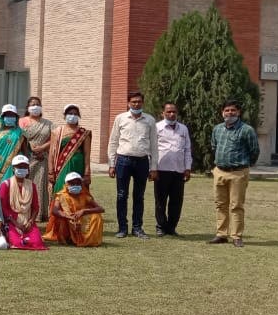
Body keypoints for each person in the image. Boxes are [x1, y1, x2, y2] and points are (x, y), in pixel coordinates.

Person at [107, 91, 159, 239]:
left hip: (142, 161)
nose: (136, 104)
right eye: (133, 102)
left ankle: (137, 228)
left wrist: (153, 167)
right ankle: (122, 227)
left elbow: (154, 145)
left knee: (139, 196)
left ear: (143, 103)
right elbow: (113, 141)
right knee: (122, 195)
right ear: (128, 103)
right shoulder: (120, 118)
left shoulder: (149, 120)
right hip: (123, 160)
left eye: (139, 102)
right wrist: (111, 163)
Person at [209, 98, 260, 248]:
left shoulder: (246, 130)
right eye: (227, 110)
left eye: (233, 110)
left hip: (238, 173)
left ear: (238, 112)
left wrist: (244, 165)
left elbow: (254, 150)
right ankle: (221, 234)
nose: (230, 113)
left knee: (236, 205)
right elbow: (214, 146)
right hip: (219, 172)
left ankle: (236, 236)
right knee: (220, 204)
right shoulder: (217, 129)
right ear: (222, 112)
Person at [155, 102, 193, 236]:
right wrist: (152, 168)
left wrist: (187, 168)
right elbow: (152, 150)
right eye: (169, 112)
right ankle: (160, 226)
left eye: (174, 112)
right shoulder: (157, 127)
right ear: (163, 113)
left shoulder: (183, 129)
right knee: (161, 200)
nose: (172, 114)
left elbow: (187, 149)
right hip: (161, 169)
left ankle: (171, 227)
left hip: (178, 170)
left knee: (176, 201)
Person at [44, 172, 105, 247]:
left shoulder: (84, 195)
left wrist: (84, 211)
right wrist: (68, 216)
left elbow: (101, 209)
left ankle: (88, 240)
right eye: (72, 183)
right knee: (61, 220)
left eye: (77, 183)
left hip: (81, 219)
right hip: (67, 219)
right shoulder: (61, 195)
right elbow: (55, 211)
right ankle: (68, 238)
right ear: (66, 185)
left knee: (96, 217)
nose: (75, 185)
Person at [0, 154, 46, 250]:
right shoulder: (6, 185)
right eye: (19, 167)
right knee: (16, 242)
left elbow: (35, 207)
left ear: (28, 169)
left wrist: (31, 221)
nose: (22, 169)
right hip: (11, 221)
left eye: (24, 167)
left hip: (27, 220)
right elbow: (3, 207)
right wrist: (16, 223)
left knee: (37, 242)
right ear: (13, 168)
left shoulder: (31, 185)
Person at [47, 103, 92, 194]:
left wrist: (87, 172)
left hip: (78, 165)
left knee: (78, 190)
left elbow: (87, 154)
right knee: (60, 188)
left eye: (75, 114)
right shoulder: (57, 132)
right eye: (70, 113)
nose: (73, 116)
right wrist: (51, 171)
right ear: (65, 116)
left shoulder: (84, 133)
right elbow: (51, 153)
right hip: (62, 166)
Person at [20, 97, 53, 221]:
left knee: (39, 185)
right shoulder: (21, 122)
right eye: (32, 104)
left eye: (38, 104)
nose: (35, 106)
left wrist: (42, 148)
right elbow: (19, 138)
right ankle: (24, 211)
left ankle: (39, 213)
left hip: (42, 158)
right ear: (28, 107)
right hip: (26, 158)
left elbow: (54, 139)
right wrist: (29, 149)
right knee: (26, 185)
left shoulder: (48, 123)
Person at [0, 104, 30, 187]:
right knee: (0, 190)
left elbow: (25, 151)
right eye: (7, 115)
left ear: (16, 117)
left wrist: (26, 167)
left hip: (15, 166)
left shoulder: (21, 133)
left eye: (12, 115)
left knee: (13, 188)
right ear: (2, 117)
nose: (10, 117)